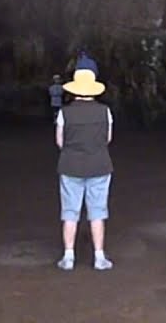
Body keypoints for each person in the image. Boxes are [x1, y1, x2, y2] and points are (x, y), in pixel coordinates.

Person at [54, 69, 115, 271]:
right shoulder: (104, 111)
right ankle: (99, 257)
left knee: (70, 212)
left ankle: (68, 257)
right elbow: (107, 139)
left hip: (71, 165)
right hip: (99, 165)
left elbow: (60, 142)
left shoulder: (65, 112)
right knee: (97, 211)